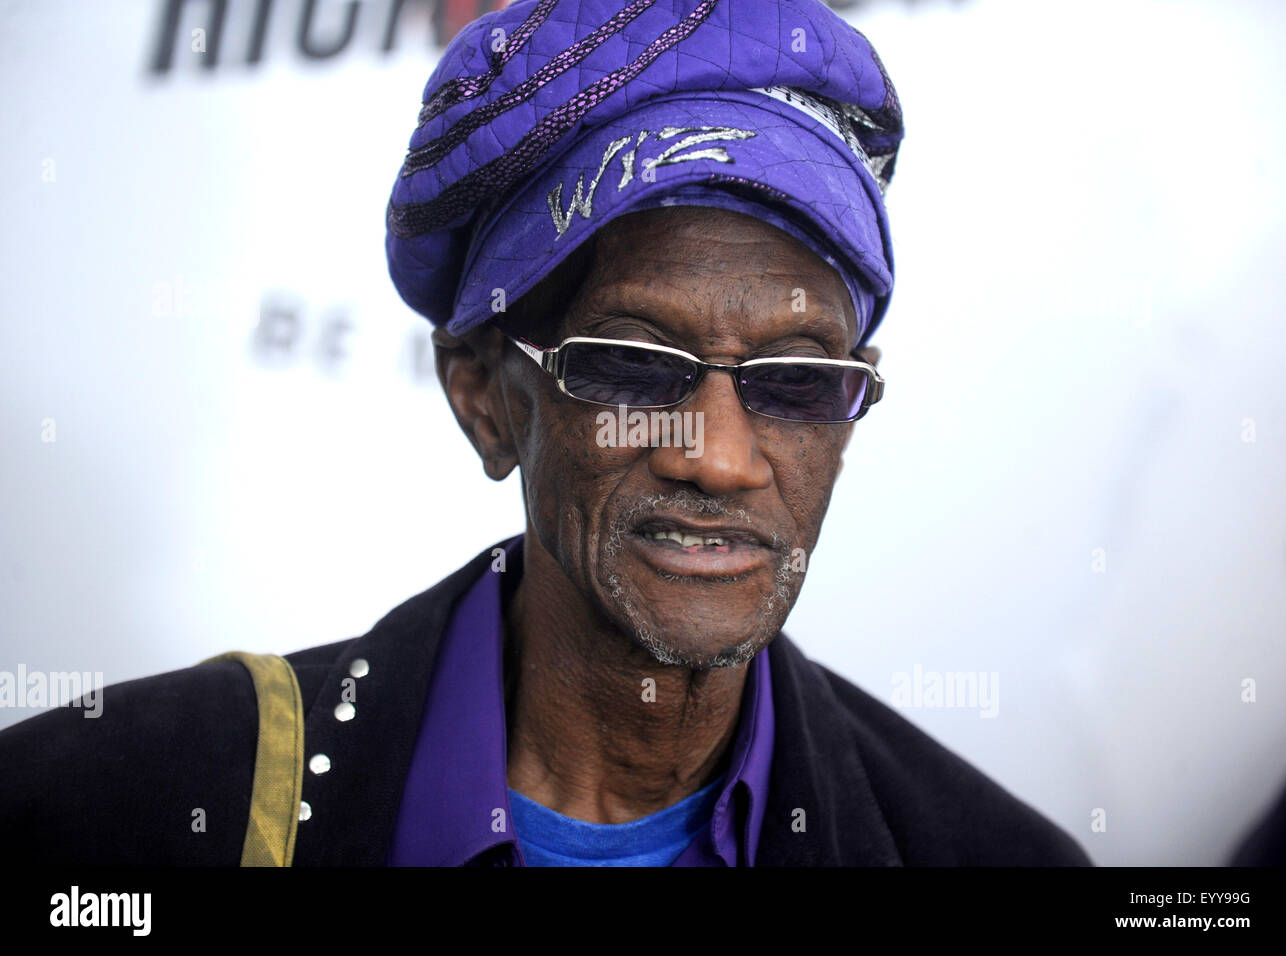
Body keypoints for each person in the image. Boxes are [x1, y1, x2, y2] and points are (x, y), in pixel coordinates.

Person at [0, 0, 1089, 866]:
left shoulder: (977, 847)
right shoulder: (114, 805)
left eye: (796, 382)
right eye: (630, 363)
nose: (715, 454)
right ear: (483, 392)